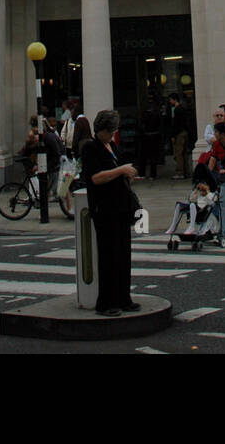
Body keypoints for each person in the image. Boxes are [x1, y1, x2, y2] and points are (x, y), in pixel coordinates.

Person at [81, 108, 140, 316]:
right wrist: (121, 170)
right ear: (102, 129)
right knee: (108, 255)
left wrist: (126, 174)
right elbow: (95, 178)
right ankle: (105, 303)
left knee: (123, 253)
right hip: (104, 208)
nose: (114, 134)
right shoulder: (91, 148)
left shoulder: (112, 146)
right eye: (111, 130)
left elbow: (116, 171)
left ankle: (124, 298)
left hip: (121, 206)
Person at [165, 165, 219, 238]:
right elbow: (191, 198)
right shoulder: (197, 185)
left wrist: (205, 194)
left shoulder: (210, 187)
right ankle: (173, 226)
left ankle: (192, 226)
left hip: (202, 206)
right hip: (195, 203)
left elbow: (212, 199)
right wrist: (195, 193)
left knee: (192, 205)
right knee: (179, 205)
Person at [139, 98, 162, 179]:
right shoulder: (157, 114)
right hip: (155, 136)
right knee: (153, 157)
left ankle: (142, 174)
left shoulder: (145, 114)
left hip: (146, 136)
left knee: (143, 156)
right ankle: (153, 174)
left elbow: (142, 126)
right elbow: (160, 125)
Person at [168, 92, 190, 180]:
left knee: (178, 153)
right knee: (184, 153)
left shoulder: (176, 110)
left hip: (179, 134)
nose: (170, 102)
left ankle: (180, 172)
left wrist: (173, 135)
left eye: (170, 100)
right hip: (185, 132)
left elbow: (175, 124)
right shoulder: (183, 108)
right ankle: (186, 172)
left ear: (174, 100)